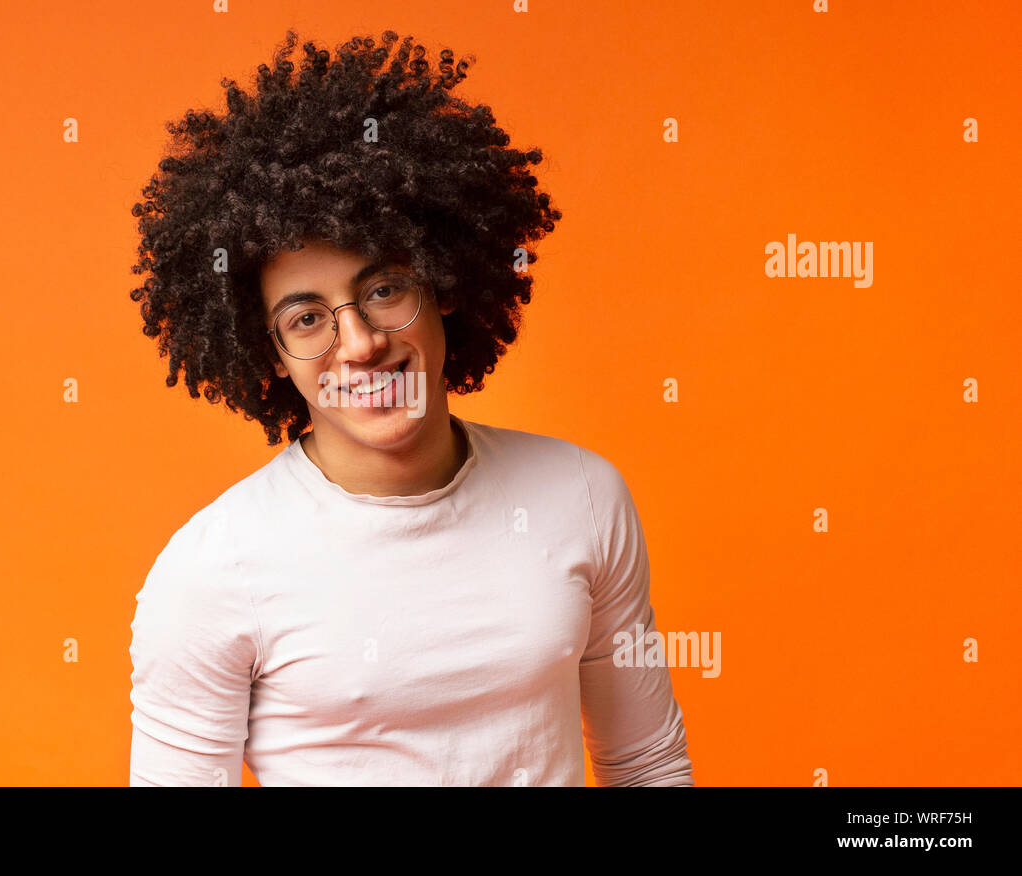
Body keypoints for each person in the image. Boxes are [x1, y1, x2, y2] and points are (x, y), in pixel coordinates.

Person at [126, 29, 693, 786]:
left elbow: (645, 761)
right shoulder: (213, 571)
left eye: (384, 289)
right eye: (306, 318)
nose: (358, 343)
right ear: (266, 354)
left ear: (442, 283)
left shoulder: (582, 496)